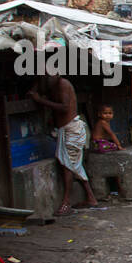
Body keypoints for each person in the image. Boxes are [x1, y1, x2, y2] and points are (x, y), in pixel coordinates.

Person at [29, 73, 97, 216]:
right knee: (73, 164)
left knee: (68, 166)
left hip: (71, 130)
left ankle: (66, 202)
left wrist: (40, 100)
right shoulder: (53, 86)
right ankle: (90, 197)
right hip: (66, 130)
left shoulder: (62, 84)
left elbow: (65, 107)